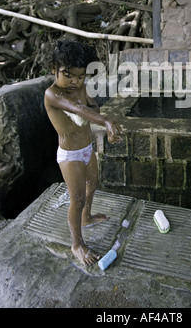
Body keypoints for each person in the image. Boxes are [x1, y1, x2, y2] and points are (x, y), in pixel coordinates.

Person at [44, 40, 122, 266]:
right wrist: (104, 120)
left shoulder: (79, 88)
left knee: (93, 184)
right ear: (53, 69)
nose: (75, 82)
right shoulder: (53, 94)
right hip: (70, 155)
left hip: (86, 148)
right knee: (76, 200)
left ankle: (86, 218)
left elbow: (90, 105)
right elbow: (79, 109)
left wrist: (96, 115)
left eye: (80, 76)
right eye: (68, 75)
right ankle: (76, 244)